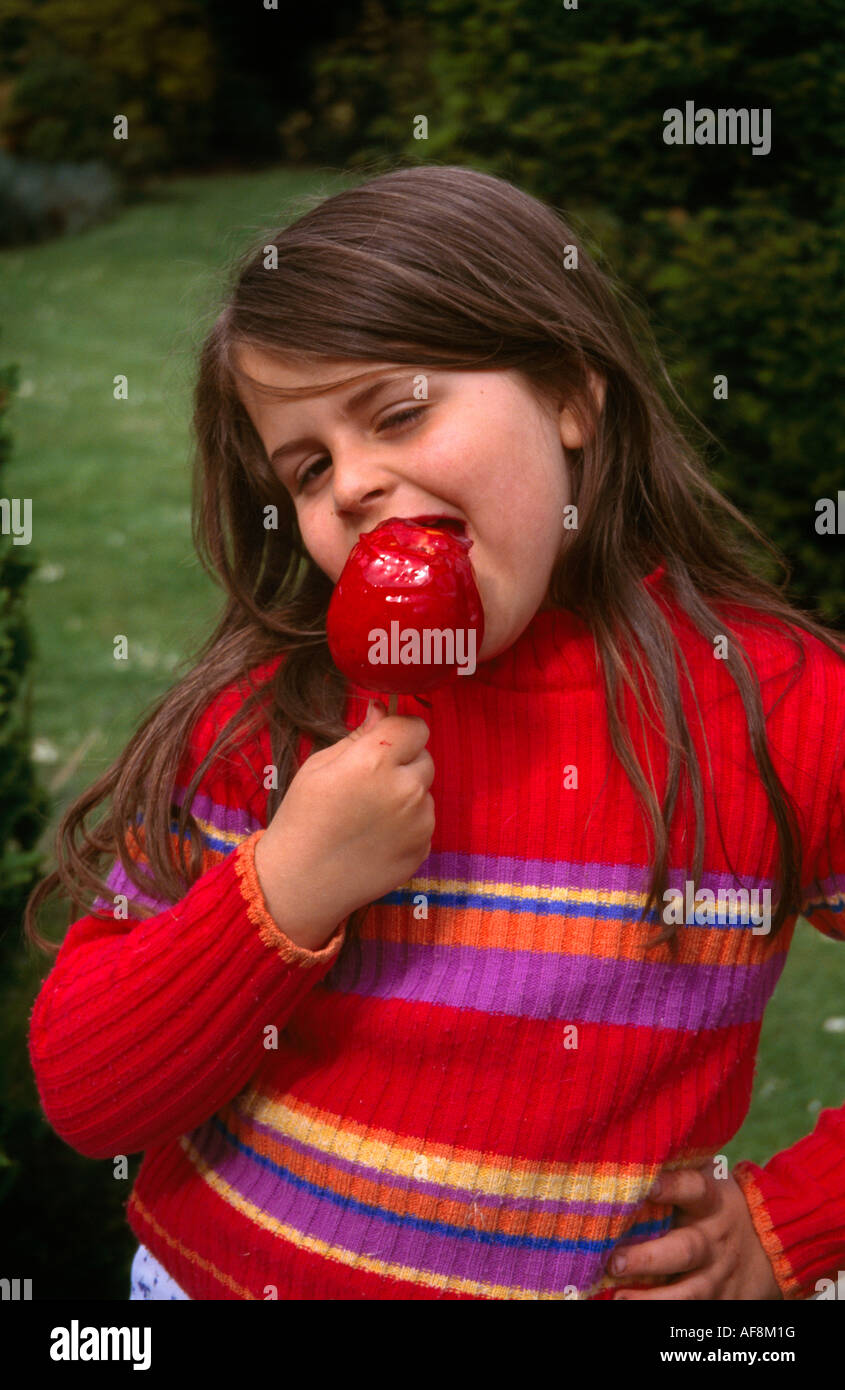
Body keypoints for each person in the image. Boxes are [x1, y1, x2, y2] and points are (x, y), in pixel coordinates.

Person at [25, 165, 844, 1302]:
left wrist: (789, 1227)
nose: (353, 483)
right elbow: (88, 1093)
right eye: (306, 468)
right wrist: (286, 886)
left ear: (568, 394)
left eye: (398, 411)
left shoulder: (778, 710)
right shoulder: (265, 722)